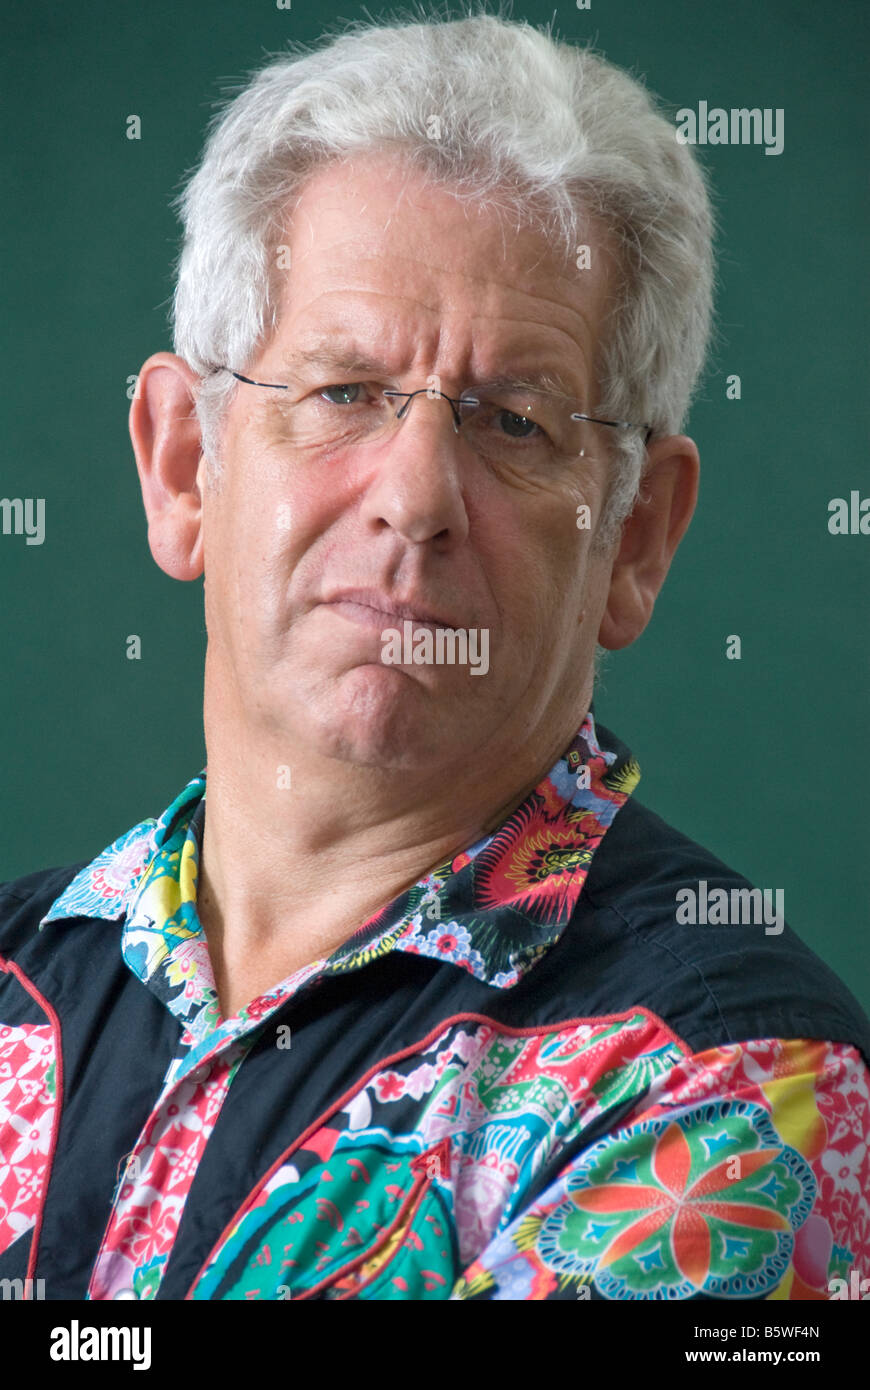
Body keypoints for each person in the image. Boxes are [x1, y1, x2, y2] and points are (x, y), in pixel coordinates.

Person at [1, 13, 867, 1303]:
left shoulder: (731, 1088)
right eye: (343, 391)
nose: (415, 497)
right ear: (186, 466)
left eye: (514, 420)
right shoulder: (18, 975)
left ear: (634, 535)